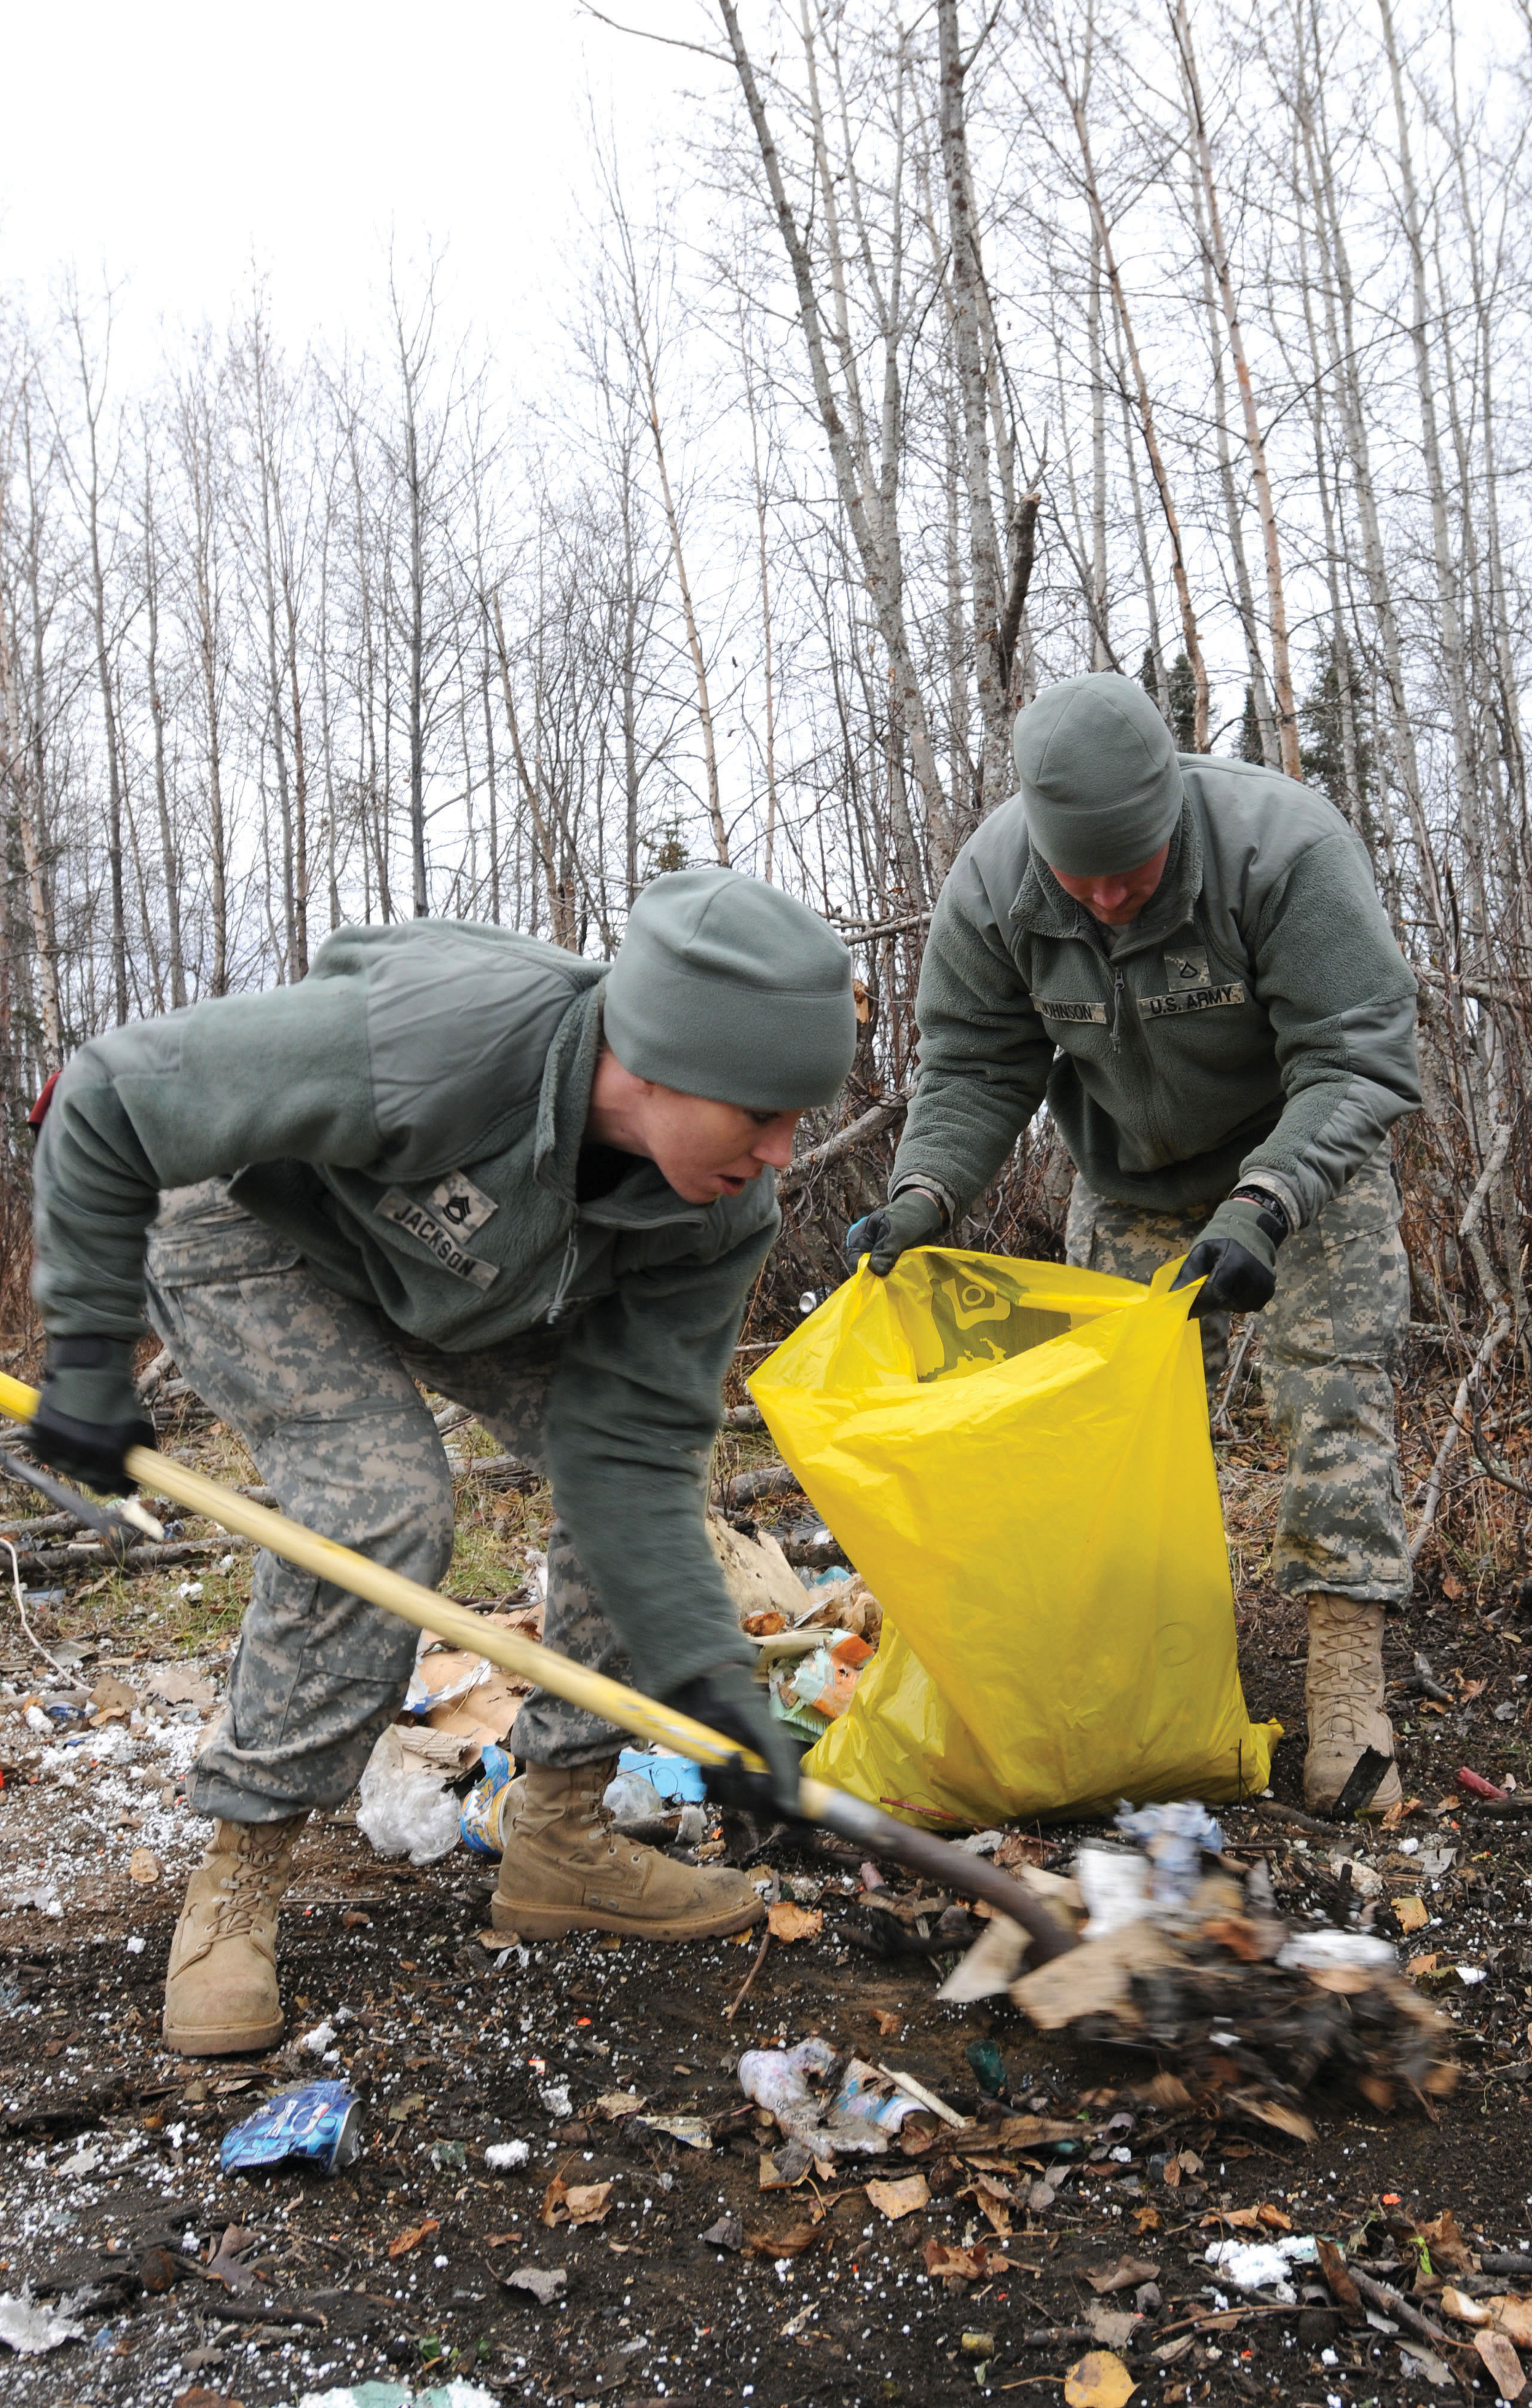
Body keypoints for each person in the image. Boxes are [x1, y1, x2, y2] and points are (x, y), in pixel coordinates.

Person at [28, 868, 854, 2056]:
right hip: (252, 1228)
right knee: (383, 1501)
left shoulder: (719, 1211)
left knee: (636, 1490)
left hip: (460, 1274)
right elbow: (105, 1097)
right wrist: (93, 1348)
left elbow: (630, 1451)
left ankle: (561, 1838)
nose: (782, 1153)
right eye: (761, 1114)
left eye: (798, 1119)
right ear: (663, 1058)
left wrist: (714, 1688)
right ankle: (240, 1873)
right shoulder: (433, 1039)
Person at [849, 672, 1420, 1815]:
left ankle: (1346, 1680)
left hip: (1300, 1157)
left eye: (1134, 870)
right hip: (1132, 1181)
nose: (1108, 897)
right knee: (1118, 1436)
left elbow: (1356, 1056)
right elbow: (972, 1070)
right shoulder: (995, 889)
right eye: (1082, 876)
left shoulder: (1282, 850)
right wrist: (921, 1197)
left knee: (1335, 1393)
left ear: (1172, 812)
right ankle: (1155, 1677)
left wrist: (1265, 1202)